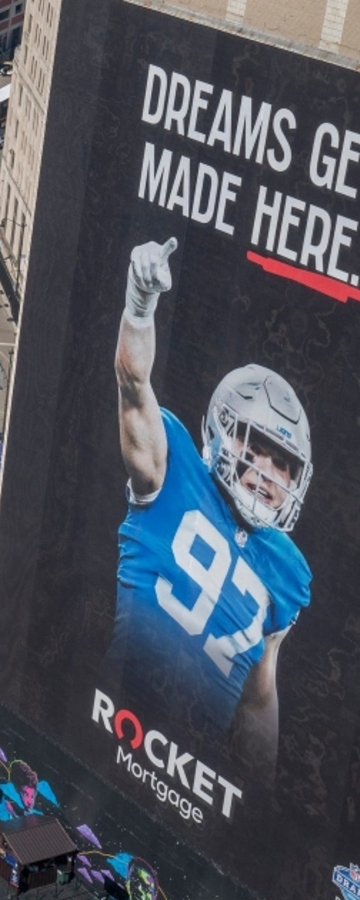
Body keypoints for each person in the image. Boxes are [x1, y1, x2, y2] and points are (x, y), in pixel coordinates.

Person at [109, 237, 313, 770]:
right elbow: (133, 384)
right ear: (222, 432)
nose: (268, 473)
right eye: (257, 448)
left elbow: (259, 698)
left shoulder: (288, 573)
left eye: (284, 464)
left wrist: (256, 795)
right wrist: (139, 306)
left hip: (195, 767)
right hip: (115, 720)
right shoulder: (172, 470)